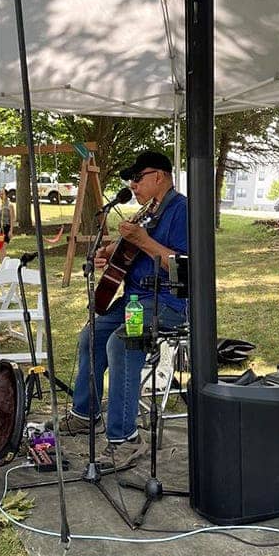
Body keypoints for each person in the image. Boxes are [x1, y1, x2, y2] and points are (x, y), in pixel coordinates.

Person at [61, 151, 188, 462]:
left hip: (167, 302)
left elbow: (184, 269)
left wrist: (142, 240)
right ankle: (85, 413)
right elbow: (131, 250)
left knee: (122, 343)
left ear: (159, 176)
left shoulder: (182, 210)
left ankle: (124, 437)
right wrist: (108, 252)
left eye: (138, 177)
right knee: (90, 336)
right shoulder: (147, 211)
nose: (132, 184)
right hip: (134, 300)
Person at [0, 187, 16, 262]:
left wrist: (11, 231)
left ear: (6, 195)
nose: (1, 194)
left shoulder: (10, 205)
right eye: (0, 192)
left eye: (2, 193)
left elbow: (12, 218)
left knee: (2, 247)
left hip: (5, 228)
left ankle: (3, 264)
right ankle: (2, 264)